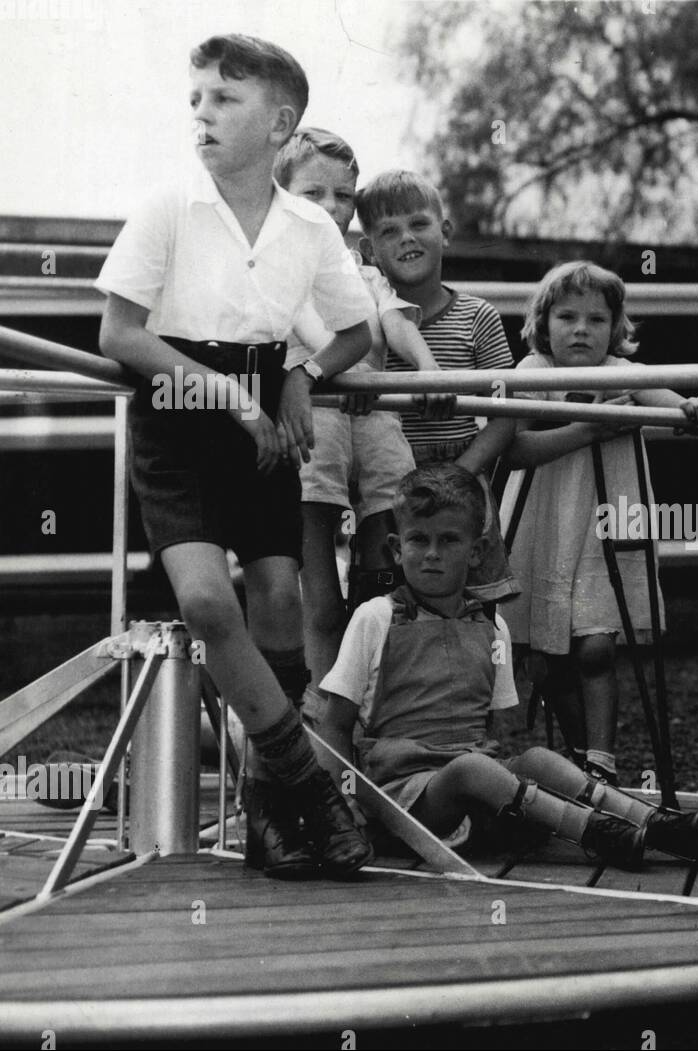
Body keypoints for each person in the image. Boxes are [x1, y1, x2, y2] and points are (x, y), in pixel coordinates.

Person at [96, 34, 373, 878]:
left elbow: (356, 331)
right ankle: (306, 789)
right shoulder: (168, 207)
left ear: (281, 122)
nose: (204, 115)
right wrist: (227, 397)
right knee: (210, 603)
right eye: (197, 99)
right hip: (180, 419)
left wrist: (300, 370)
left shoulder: (309, 227)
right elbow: (118, 333)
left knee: (281, 600)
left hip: (266, 420)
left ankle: (264, 815)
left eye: (226, 99)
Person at [314, 465, 698, 866]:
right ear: (398, 549)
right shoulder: (377, 617)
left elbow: (493, 728)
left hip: (477, 786)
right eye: (419, 540)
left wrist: (507, 780)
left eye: (448, 540)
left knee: (537, 758)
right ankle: (599, 835)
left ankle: (657, 825)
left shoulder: (491, 626)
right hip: (406, 798)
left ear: (476, 552)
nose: (432, 553)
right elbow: (335, 723)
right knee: (471, 768)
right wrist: (342, 810)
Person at [502, 261, 698, 785]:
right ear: (543, 322)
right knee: (545, 656)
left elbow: (674, 401)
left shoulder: (624, 374)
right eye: (567, 316)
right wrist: (588, 429)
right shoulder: (535, 373)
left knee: (598, 645)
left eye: (597, 319)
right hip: (542, 526)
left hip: (605, 526)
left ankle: (601, 762)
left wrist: (695, 406)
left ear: (616, 328)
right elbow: (511, 449)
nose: (581, 329)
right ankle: (579, 758)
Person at [274, 129, 438, 704]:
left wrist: (426, 369)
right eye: (314, 193)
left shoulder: (364, 270)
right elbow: (312, 328)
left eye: (344, 196)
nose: (332, 208)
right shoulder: (278, 262)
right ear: (282, 193)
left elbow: (394, 322)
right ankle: (324, 724)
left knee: (382, 575)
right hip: (317, 413)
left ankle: (373, 711)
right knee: (319, 594)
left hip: (373, 419)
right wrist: (349, 372)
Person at [356, 170, 519, 605]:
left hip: (463, 470)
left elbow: (509, 413)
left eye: (419, 224)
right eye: (390, 231)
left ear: (445, 232)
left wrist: (460, 474)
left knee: (475, 604)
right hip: (390, 479)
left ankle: (485, 672)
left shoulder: (477, 316)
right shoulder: (367, 324)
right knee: (390, 608)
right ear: (369, 251)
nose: (407, 238)